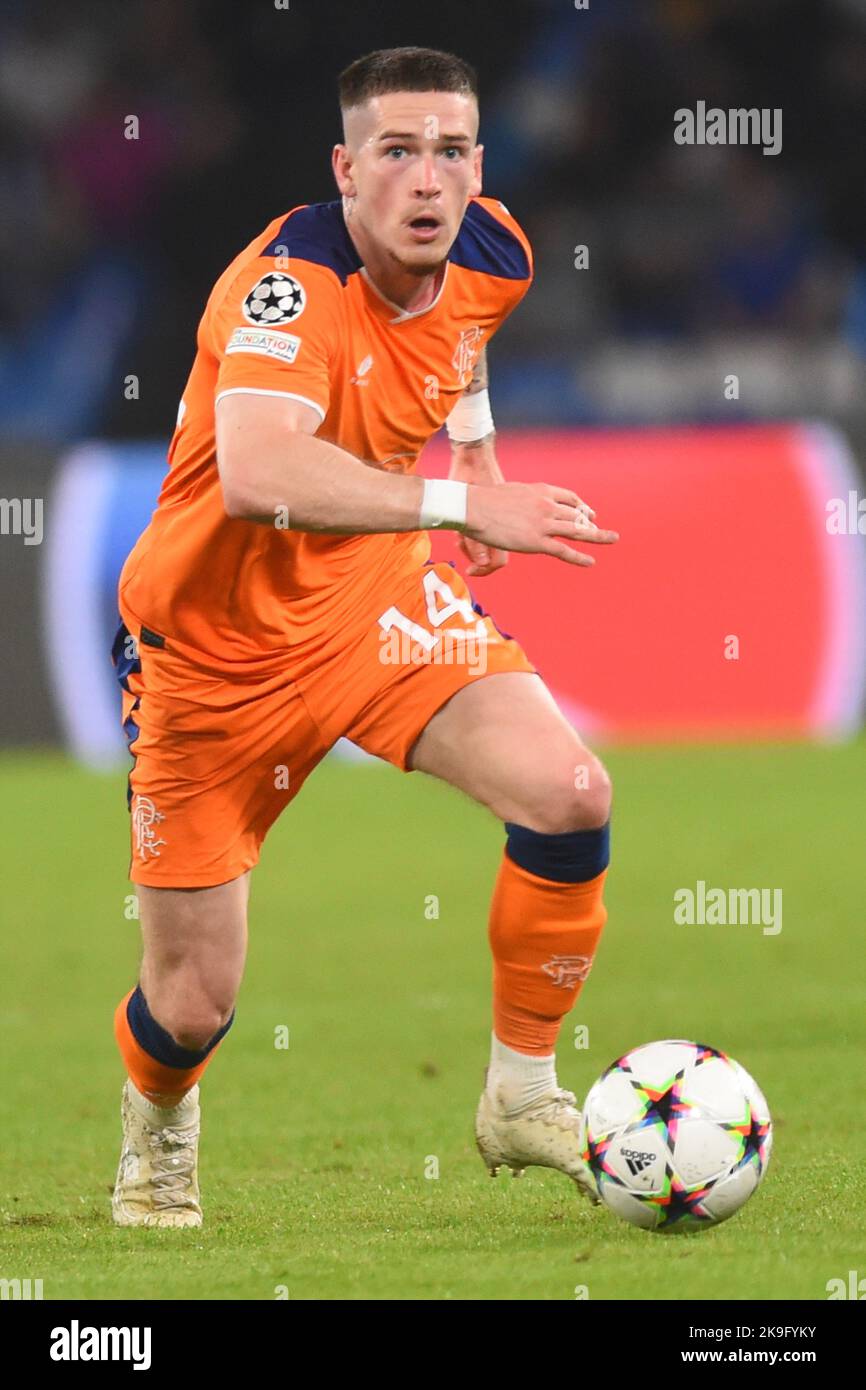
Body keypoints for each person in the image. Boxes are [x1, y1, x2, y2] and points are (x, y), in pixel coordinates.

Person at [110, 45, 618, 1227]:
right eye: (396, 151)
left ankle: (520, 1092)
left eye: (449, 151)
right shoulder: (284, 286)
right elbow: (256, 471)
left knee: (568, 791)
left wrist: (474, 440)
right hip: (209, 649)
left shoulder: (492, 247)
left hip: (369, 603)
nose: (425, 179)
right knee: (192, 998)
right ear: (346, 169)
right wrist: (463, 501)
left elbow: (461, 334)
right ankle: (158, 1130)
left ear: (477, 166)